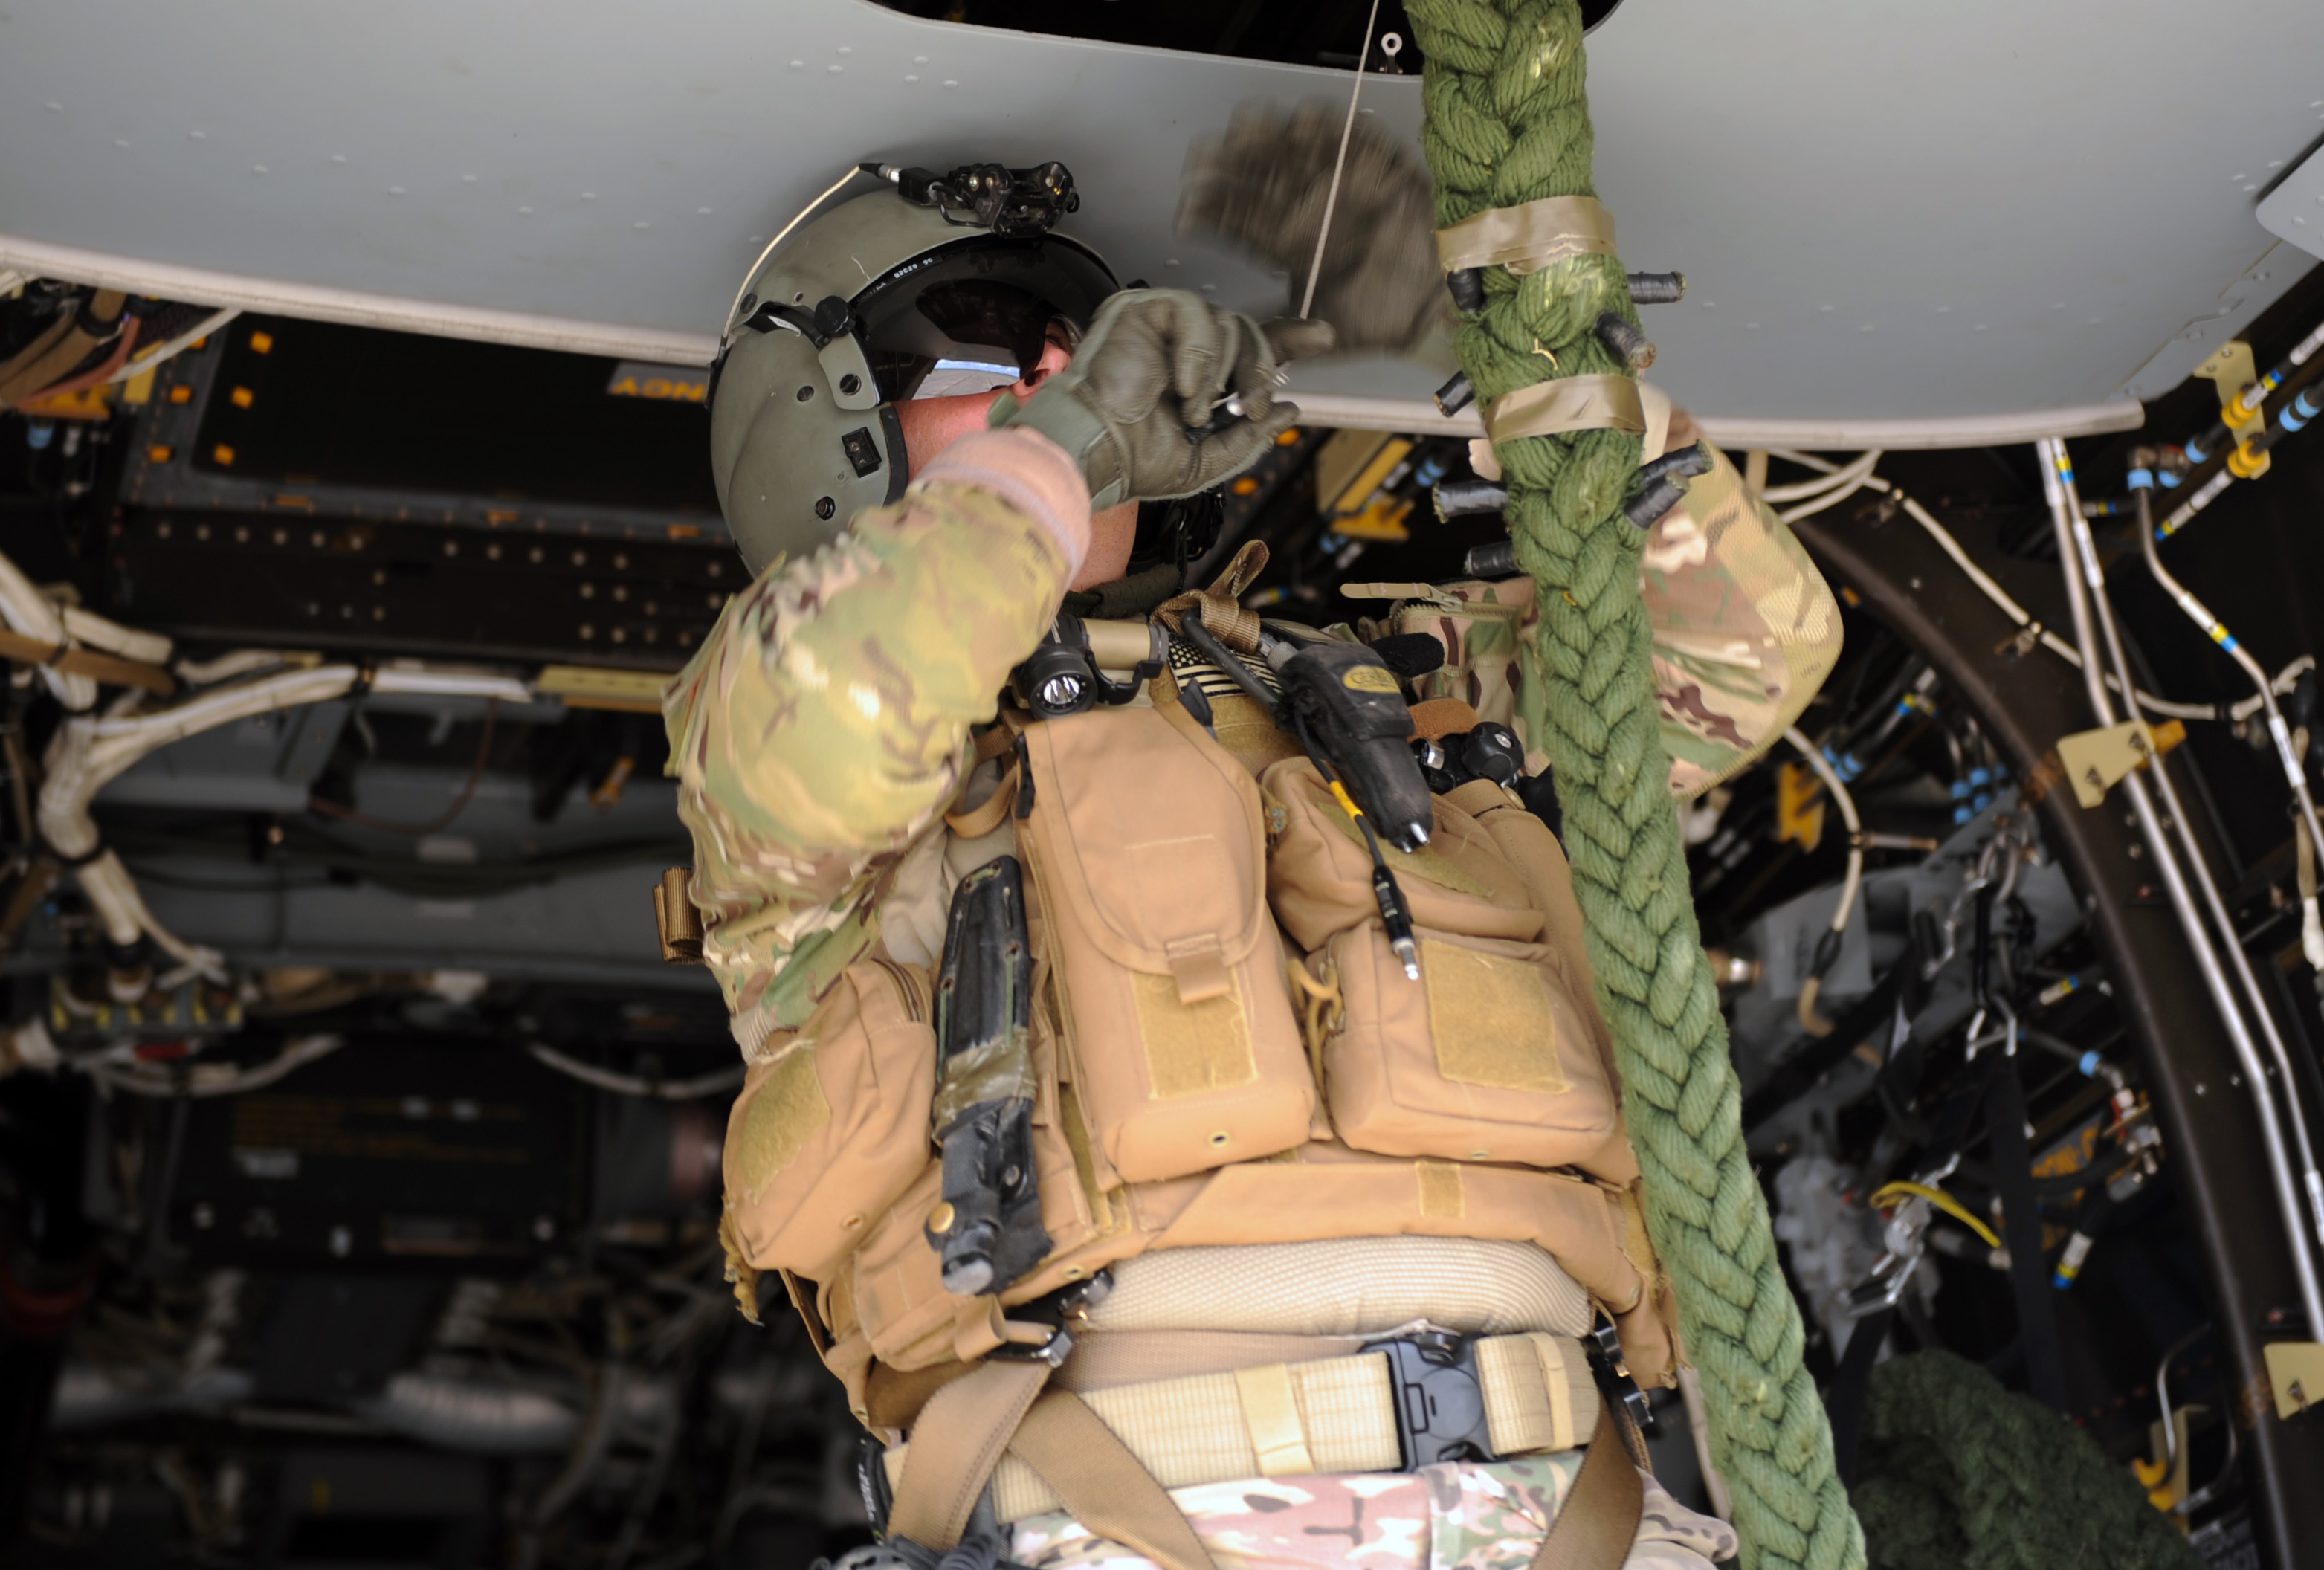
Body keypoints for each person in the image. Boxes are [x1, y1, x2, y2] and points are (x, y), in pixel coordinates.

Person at [667, 160, 1842, 1570]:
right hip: (1139, 1521)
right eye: (986, 351)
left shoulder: (1374, 695)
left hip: (1570, 1514)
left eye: (1076, 348)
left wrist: (1549, 385)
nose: (1062, 376)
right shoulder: (790, 732)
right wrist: (1065, 448)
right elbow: (840, 707)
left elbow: (1746, 649)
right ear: (827, 434)